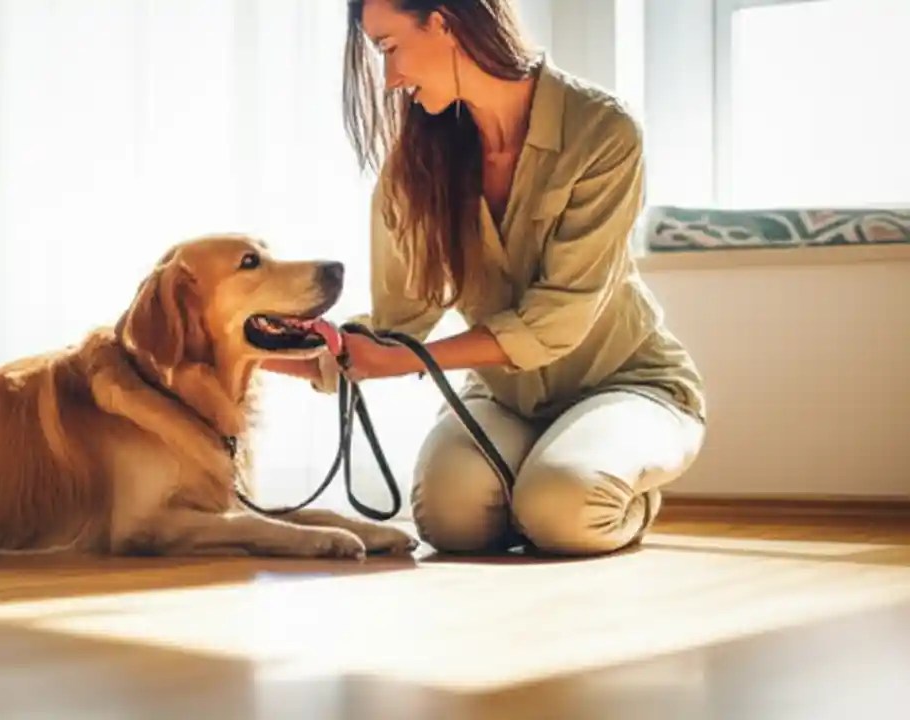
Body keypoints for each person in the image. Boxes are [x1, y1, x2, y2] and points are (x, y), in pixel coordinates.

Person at [263, 0, 707, 557]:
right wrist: (249, 351)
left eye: (389, 48)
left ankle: (599, 491)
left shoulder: (603, 130)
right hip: (505, 399)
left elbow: (558, 318)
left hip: (624, 382)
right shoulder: (414, 169)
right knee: (448, 519)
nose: (389, 79)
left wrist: (401, 360)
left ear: (445, 21)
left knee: (564, 508)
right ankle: (540, 481)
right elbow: (394, 327)